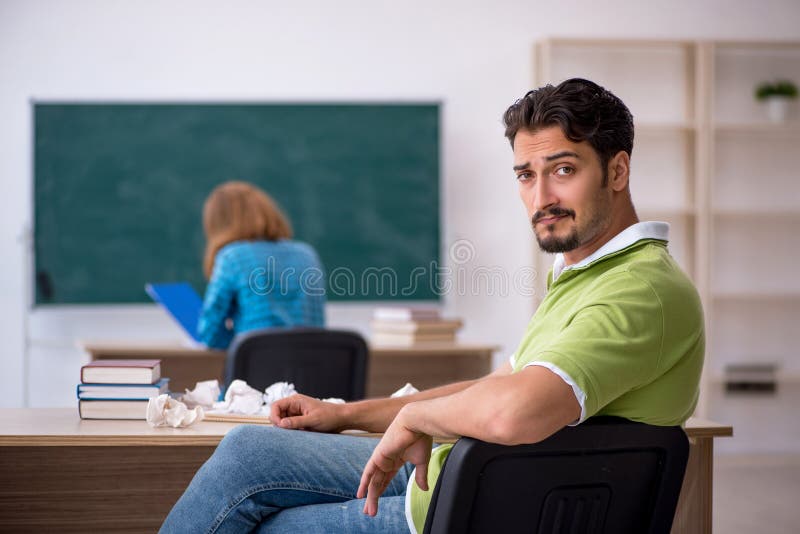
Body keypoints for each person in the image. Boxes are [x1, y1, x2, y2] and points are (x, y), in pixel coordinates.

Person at [160, 79, 704, 533]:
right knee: (248, 452)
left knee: (268, 523)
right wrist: (348, 414)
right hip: (461, 474)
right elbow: (498, 388)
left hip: (480, 503)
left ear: (616, 171)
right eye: (525, 175)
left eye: (563, 170)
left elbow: (512, 410)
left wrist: (417, 415)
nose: (540, 199)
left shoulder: (642, 291)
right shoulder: (586, 275)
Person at [198, 181, 326, 349]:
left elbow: (209, 333)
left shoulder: (233, 257)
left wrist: (237, 340)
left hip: (256, 369)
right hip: (312, 368)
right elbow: (317, 326)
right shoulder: (307, 254)